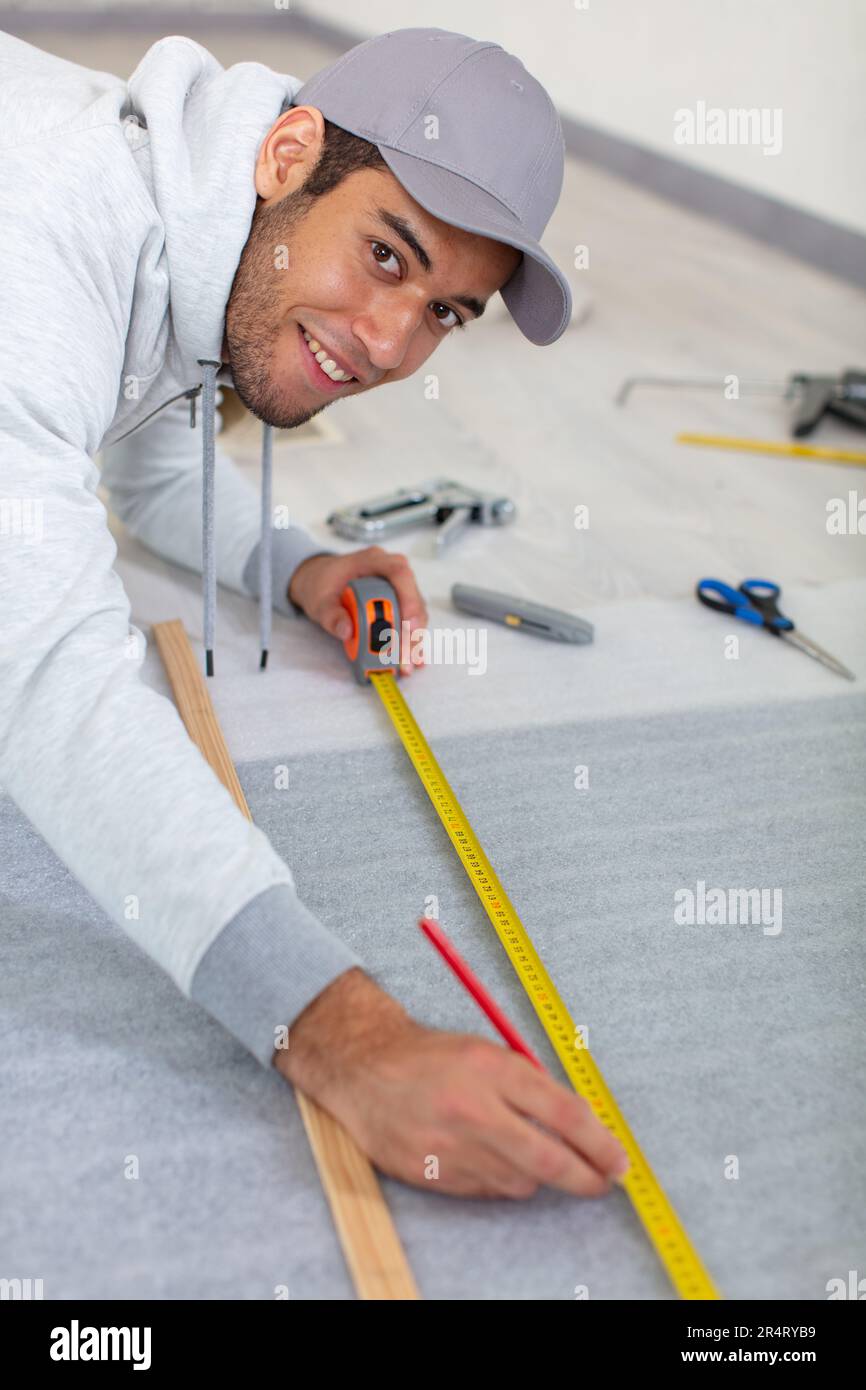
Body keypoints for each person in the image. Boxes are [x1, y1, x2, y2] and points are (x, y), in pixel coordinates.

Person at [0, 25, 628, 1199]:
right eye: (387, 256)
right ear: (288, 154)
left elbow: (145, 453)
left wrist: (297, 565)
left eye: (444, 311)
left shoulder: (201, 219)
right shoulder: (45, 232)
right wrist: (348, 1038)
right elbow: (41, 677)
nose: (392, 344)